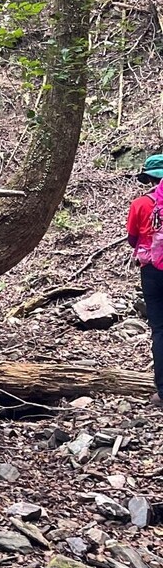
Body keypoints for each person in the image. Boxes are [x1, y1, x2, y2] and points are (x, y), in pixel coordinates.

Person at [126, 153, 163, 406]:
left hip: (152, 272)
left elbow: (132, 238)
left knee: (160, 330)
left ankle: (162, 392)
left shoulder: (140, 204)